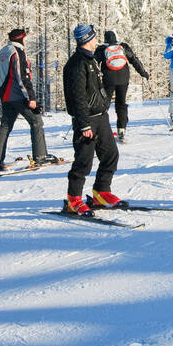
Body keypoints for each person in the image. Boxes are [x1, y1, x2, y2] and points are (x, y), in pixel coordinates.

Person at [59, 24, 123, 216]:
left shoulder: (91, 60)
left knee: (111, 155)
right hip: (85, 120)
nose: (97, 41)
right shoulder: (77, 63)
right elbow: (78, 96)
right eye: (94, 38)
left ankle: (101, 192)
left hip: (100, 117)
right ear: (87, 39)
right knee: (83, 161)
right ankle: (73, 199)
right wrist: (84, 123)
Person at [0, 27, 52, 173]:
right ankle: (40, 155)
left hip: (5, 94)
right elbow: (22, 76)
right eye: (24, 38)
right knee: (36, 121)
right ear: (20, 38)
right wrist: (31, 98)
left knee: (5, 126)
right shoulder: (18, 52)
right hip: (18, 94)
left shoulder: (3, 51)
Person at [94, 29, 150, 142]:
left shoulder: (102, 49)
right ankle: (122, 129)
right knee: (121, 103)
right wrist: (143, 73)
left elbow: (94, 63)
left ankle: (100, 130)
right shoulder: (123, 46)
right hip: (123, 78)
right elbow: (134, 60)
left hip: (108, 78)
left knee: (104, 103)